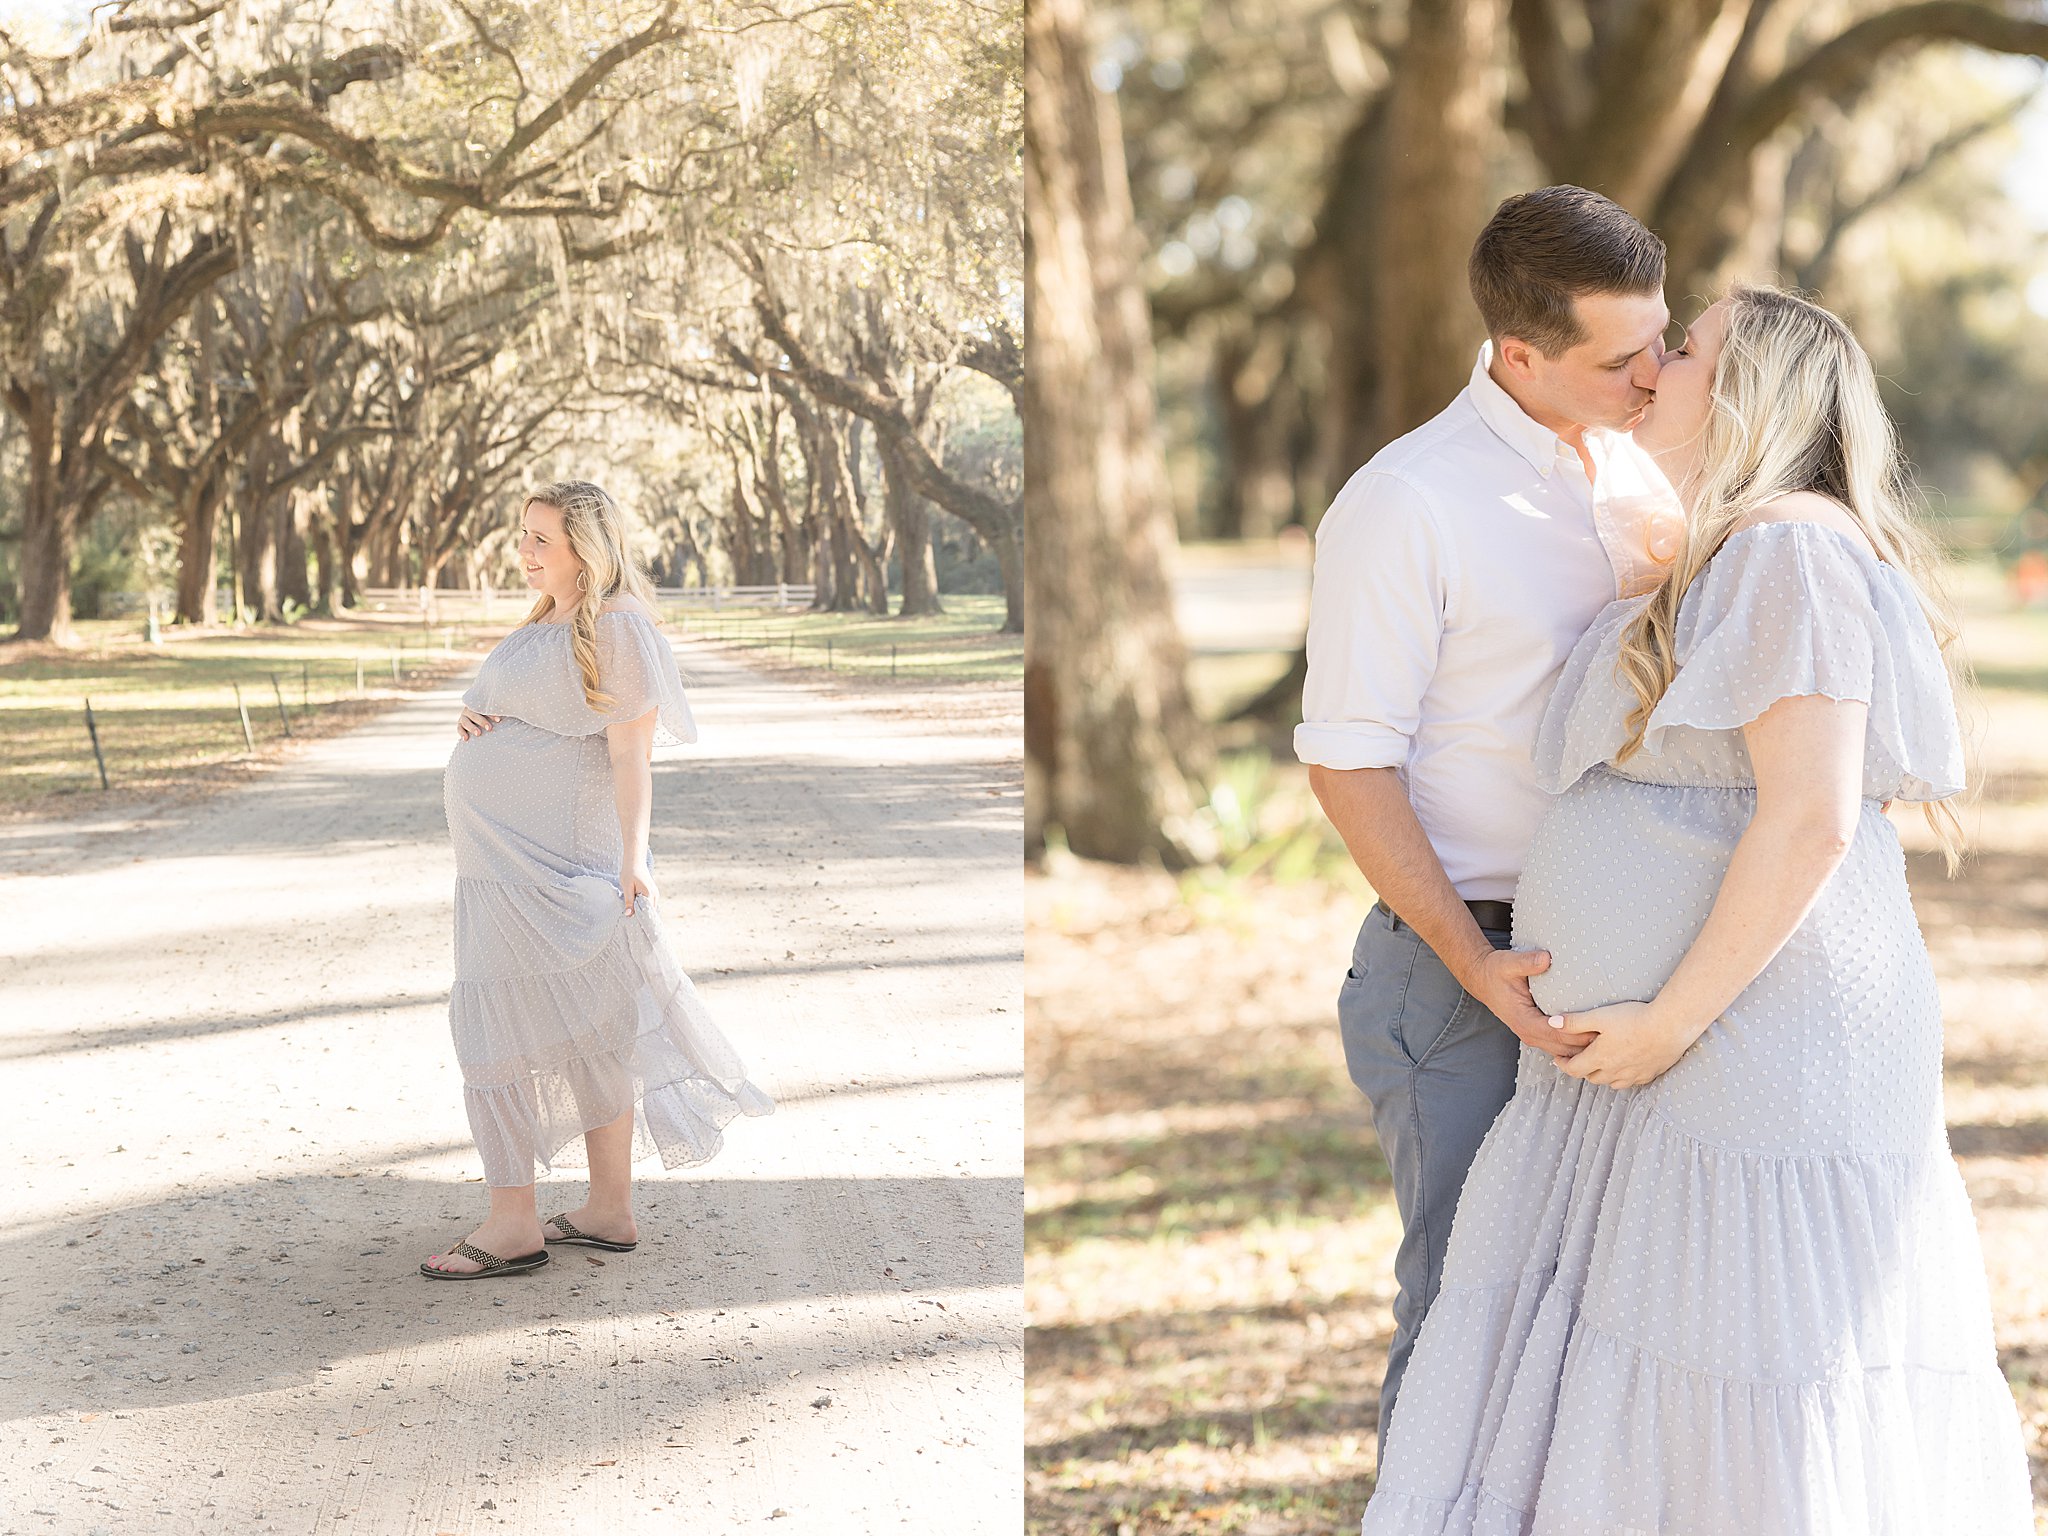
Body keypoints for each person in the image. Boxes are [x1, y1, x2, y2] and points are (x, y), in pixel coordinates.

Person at [1358, 287, 2032, 1530]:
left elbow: (1809, 816)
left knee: (1748, 1362)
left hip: (1738, 1038)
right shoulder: (1728, 549)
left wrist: (1669, 1019)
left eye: (1685, 349)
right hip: (1660, 1056)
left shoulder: (1791, 549)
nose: (1654, 366)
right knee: (1667, 1359)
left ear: (1744, 394)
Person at [1297, 185, 1684, 1448]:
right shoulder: (1407, 501)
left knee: (1609, 1317)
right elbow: (1350, 764)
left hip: (1619, 965)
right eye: (1620, 358)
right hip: (1462, 957)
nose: (1654, 374)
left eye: (1662, 340)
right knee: (1468, 1312)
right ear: (1518, 355)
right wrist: (1473, 960)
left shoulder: (1651, 467)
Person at [420, 479, 774, 1278]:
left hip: (554, 866)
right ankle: (605, 1212)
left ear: (589, 545)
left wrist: (633, 858)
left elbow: (628, 754)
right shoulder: (546, 618)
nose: (525, 551)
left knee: (545, 1031)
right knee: (565, 1030)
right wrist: (474, 716)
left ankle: (515, 1223)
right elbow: (524, 705)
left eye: (542, 538)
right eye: (523, 534)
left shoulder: (620, 625)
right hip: (497, 867)